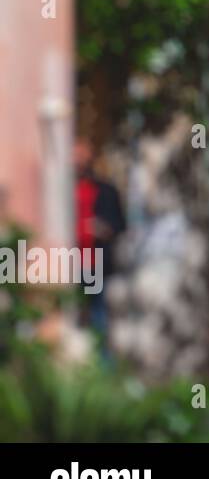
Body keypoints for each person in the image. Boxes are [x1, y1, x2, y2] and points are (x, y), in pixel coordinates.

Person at [74, 139, 126, 349]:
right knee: (72, 314)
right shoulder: (63, 190)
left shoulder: (105, 190)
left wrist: (102, 228)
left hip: (95, 264)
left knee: (98, 316)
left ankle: (102, 364)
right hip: (68, 263)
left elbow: (119, 224)